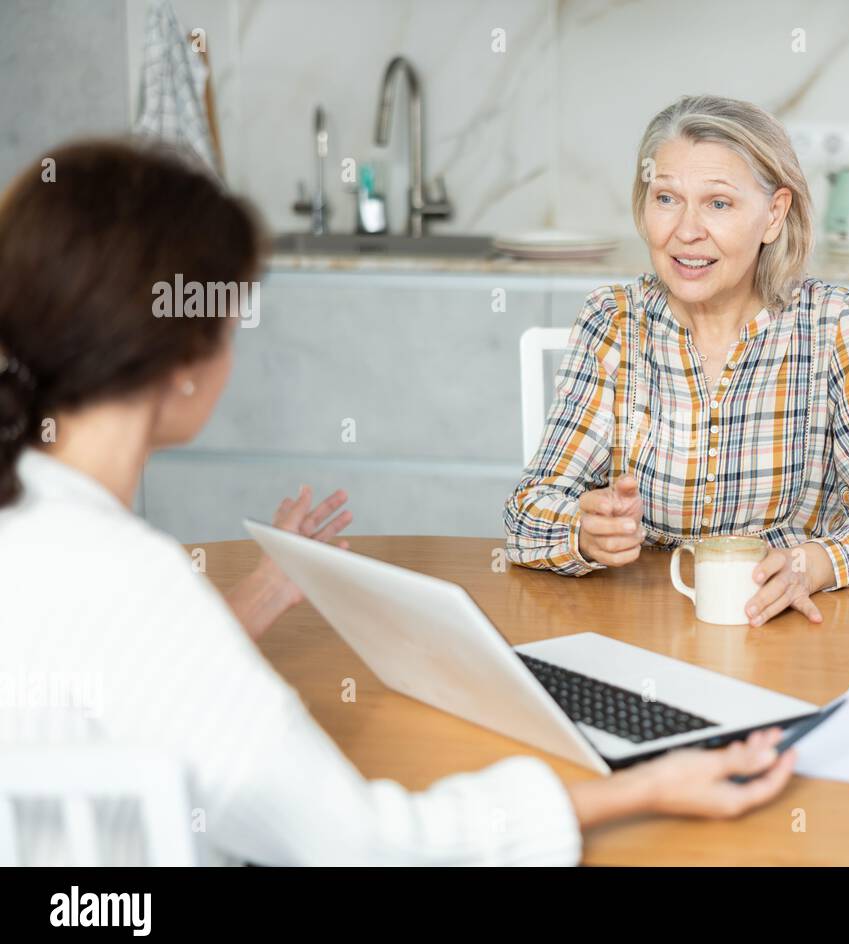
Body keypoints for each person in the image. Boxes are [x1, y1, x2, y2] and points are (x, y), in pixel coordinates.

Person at [0, 139, 795, 866]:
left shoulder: (50, 538)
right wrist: (642, 788)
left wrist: (261, 592)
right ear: (181, 354)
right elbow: (357, 844)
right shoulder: (133, 579)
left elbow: (113, 669)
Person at [504, 95, 849, 627]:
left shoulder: (835, 323)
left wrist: (815, 564)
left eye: (719, 204)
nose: (686, 230)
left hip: (791, 632)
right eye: (666, 198)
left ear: (774, 215)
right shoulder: (614, 322)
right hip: (645, 632)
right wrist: (581, 530)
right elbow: (526, 514)